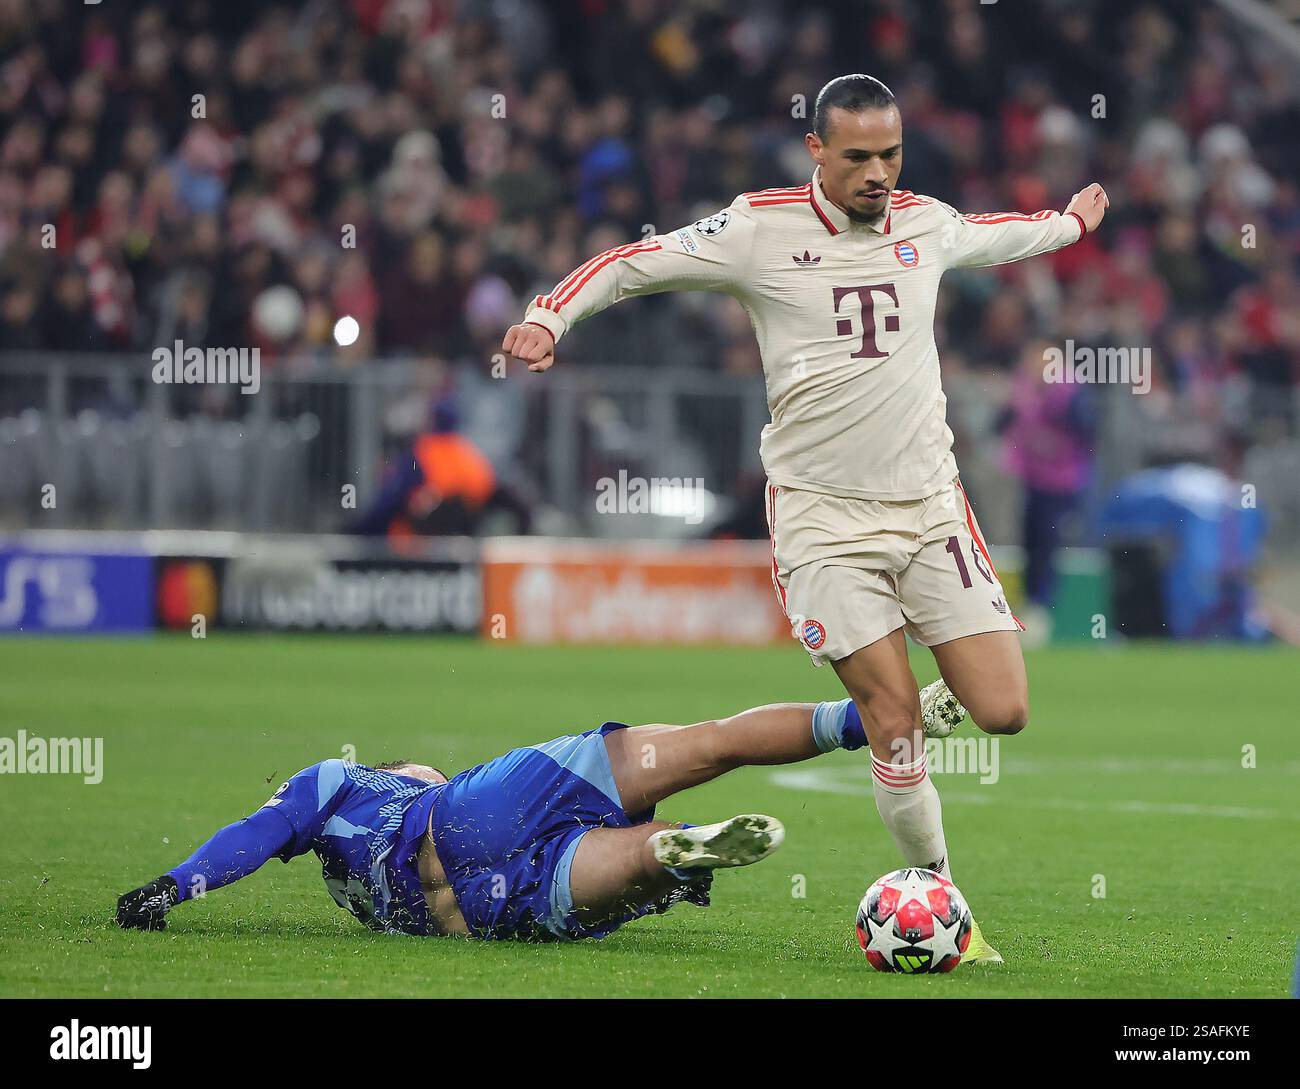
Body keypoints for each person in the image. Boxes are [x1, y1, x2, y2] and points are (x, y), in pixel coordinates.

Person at [502, 74, 1110, 962]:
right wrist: (548, 314)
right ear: (816, 151)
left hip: (932, 506)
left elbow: (1003, 237)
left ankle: (930, 706)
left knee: (1006, 710)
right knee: (889, 717)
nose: (878, 174)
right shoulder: (757, 228)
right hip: (825, 523)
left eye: (891, 154)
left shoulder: (923, 221)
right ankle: (946, 905)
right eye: (858, 156)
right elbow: (635, 264)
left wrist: (1073, 223)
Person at [115, 684, 965, 944]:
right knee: (708, 742)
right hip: (483, 804)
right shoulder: (367, 782)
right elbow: (262, 833)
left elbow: (257, 836)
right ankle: (881, 718)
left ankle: (666, 855)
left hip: (470, 911)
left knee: (617, 869)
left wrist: (175, 886)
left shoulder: (333, 797)